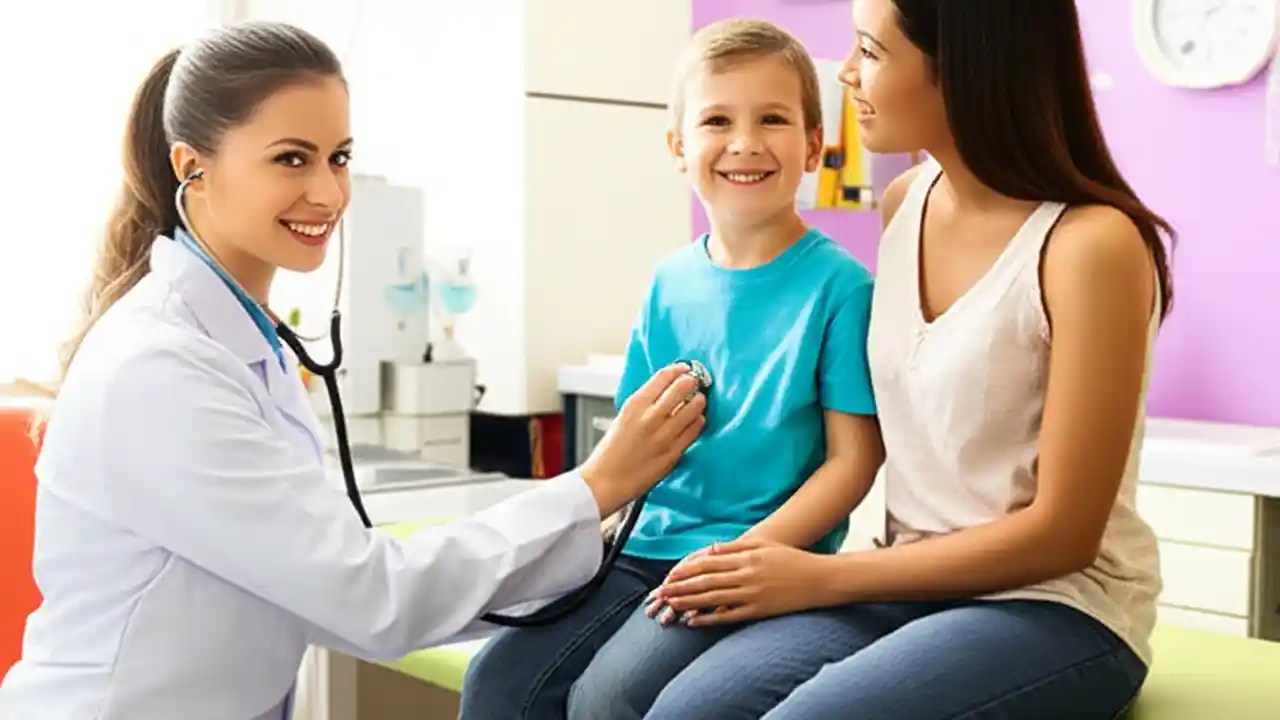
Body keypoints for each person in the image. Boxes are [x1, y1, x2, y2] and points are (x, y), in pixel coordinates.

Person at [0, 21, 706, 720]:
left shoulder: (240, 343)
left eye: (338, 158)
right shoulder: (157, 367)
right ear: (193, 169)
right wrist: (596, 486)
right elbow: (369, 599)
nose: (329, 194)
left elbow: (325, 586)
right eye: (290, 159)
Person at [639, 1, 1174, 718]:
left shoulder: (1092, 246)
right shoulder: (905, 202)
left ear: (962, 69)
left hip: (1058, 605)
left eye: (871, 50)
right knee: (684, 712)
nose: (849, 73)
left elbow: (1064, 535)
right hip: (906, 584)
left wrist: (817, 577)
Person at [460, 18, 885, 720]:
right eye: (717, 119)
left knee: (609, 698)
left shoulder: (841, 289)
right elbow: (628, 449)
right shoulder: (668, 283)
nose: (745, 142)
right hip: (635, 552)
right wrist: (575, 534)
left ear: (814, 144)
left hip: (748, 560)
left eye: (772, 119)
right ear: (677, 146)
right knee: (498, 683)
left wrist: (749, 556)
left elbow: (854, 462)